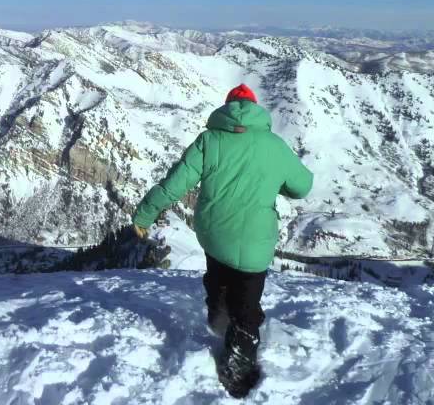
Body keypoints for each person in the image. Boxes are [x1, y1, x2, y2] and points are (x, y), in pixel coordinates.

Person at [132, 83, 314, 398]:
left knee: (218, 279)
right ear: (256, 110)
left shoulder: (209, 140)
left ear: (226, 109)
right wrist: (273, 179)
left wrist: (145, 214)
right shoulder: (275, 145)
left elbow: (174, 184)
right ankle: (238, 372)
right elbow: (302, 187)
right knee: (247, 306)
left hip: (214, 235)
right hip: (256, 243)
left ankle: (218, 317)